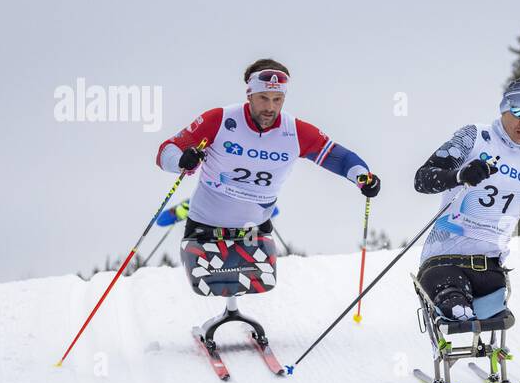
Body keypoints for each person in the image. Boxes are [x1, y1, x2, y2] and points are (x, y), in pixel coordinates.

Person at [156, 58, 380, 247]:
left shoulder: (294, 132)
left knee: (256, 288)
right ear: (250, 95)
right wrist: (181, 161)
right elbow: (166, 151)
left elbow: (338, 158)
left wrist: (363, 178)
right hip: (205, 224)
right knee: (210, 288)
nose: (270, 108)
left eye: (277, 99)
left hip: (254, 228)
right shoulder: (220, 119)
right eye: (263, 98)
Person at [413, 77, 520, 321]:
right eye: (519, 111)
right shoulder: (474, 137)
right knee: (455, 311)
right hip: (443, 259)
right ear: (504, 109)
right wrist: (459, 175)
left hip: (489, 268)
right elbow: (422, 179)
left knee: (494, 323)